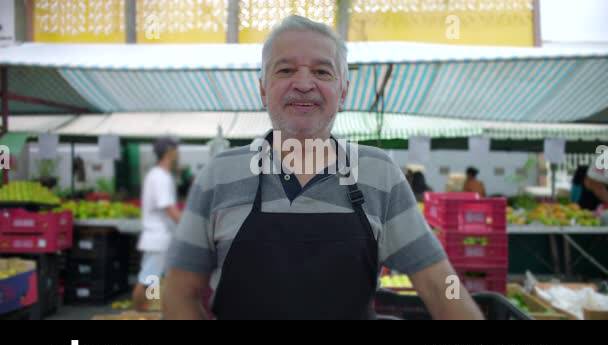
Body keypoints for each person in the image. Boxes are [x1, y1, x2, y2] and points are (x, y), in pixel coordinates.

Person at [163, 16, 483, 320]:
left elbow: (443, 287)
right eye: (286, 70)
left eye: (322, 72)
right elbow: (179, 291)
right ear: (263, 89)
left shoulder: (379, 173)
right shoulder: (218, 176)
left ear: (343, 92)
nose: (303, 84)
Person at [133, 138, 182, 311]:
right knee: (148, 278)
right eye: (177, 150)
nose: (179, 154)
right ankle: (142, 313)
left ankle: (149, 311)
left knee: (152, 278)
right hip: (158, 237)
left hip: (158, 237)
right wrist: (187, 226)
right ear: (170, 152)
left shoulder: (158, 175)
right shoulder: (160, 177)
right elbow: (168, 208)